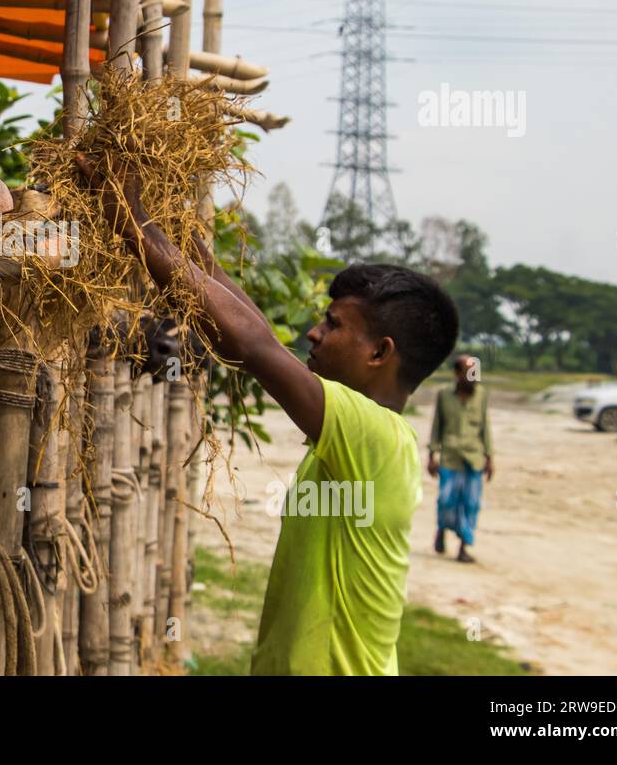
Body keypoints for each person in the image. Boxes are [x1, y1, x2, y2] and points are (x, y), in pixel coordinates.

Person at [78, 161, 458, 675]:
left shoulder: (376, 436)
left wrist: (134, 224)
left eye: (333, 324)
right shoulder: (360, 436)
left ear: (378, 352)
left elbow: (253, 345)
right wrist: (182, 243)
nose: (313, 335)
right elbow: (253, 330)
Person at [428, 354, 494, 563]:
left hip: (473, 456)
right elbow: (437, 425)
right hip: (450, 456)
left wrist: (490, 457)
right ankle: (442, 528)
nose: (473, 377)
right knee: (446, 499)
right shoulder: (444, 395)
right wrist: (432, 454)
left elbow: (485, 426)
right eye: (469, 373)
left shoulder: (482, 395)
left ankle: (464, 546)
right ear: (457, 373)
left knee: (471, 503)